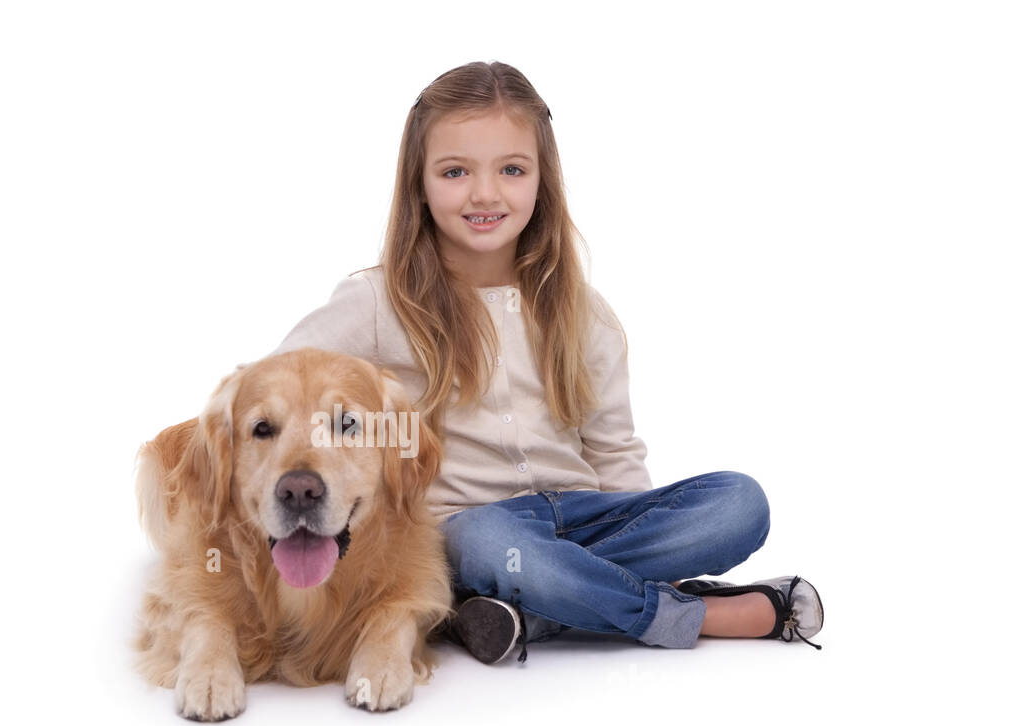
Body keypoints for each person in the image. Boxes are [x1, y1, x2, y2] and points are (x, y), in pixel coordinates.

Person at [266, 61, 824, 665]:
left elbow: (614, 452)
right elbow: (279, 388)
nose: (485, 193)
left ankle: (523, 613)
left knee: (740, 502)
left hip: (587, 518)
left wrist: (639, 523)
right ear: (419, 183)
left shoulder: (583, 312)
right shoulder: (377, 304)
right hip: (467, 528)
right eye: (455, 171)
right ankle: (688, 614)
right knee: (492, 543)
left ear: (542, 179)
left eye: (511, 170)